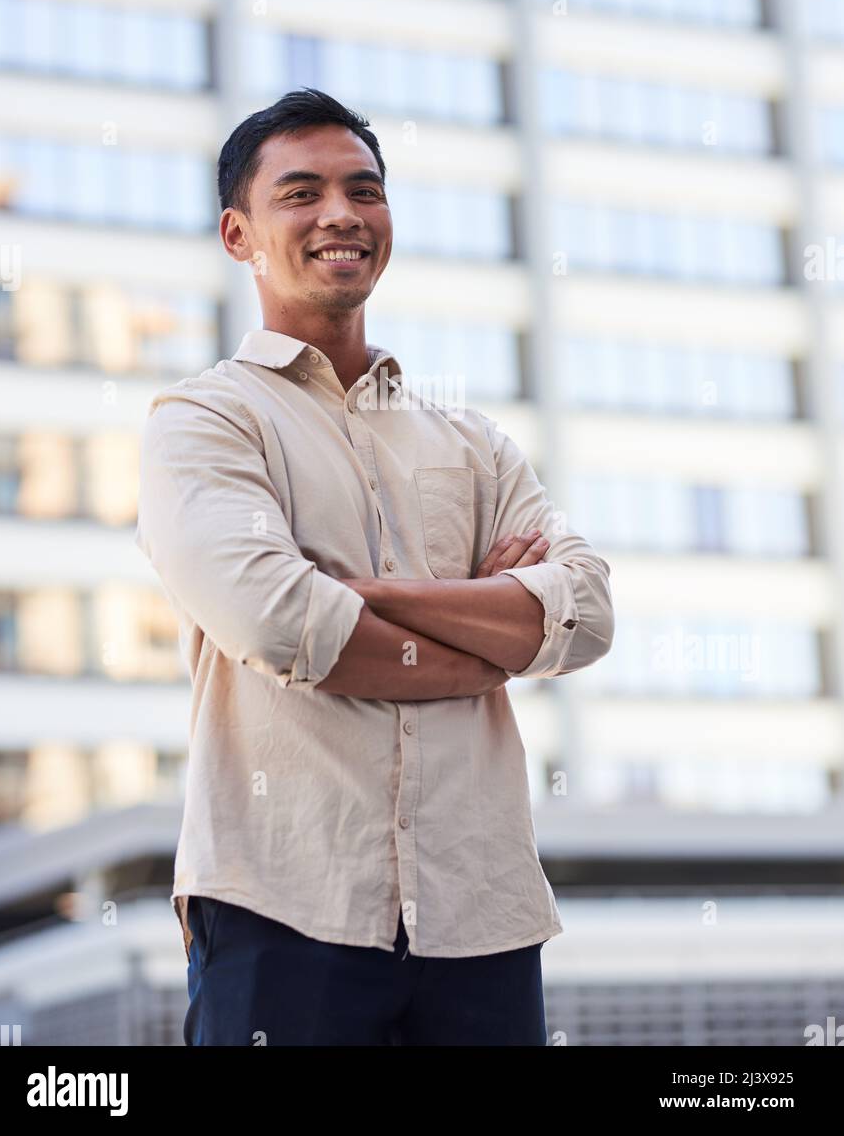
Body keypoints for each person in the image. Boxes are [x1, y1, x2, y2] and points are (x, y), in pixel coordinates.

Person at [135, 87, 614, 1046]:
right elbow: (275, 619)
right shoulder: (204, 420)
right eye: (300, 193)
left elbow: (585, 614)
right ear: (239, 234)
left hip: (479, 913)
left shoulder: (471, 441)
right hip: (282, 906)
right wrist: (488, 631)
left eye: (365, 189)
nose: (342, 213)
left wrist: (364, 594)